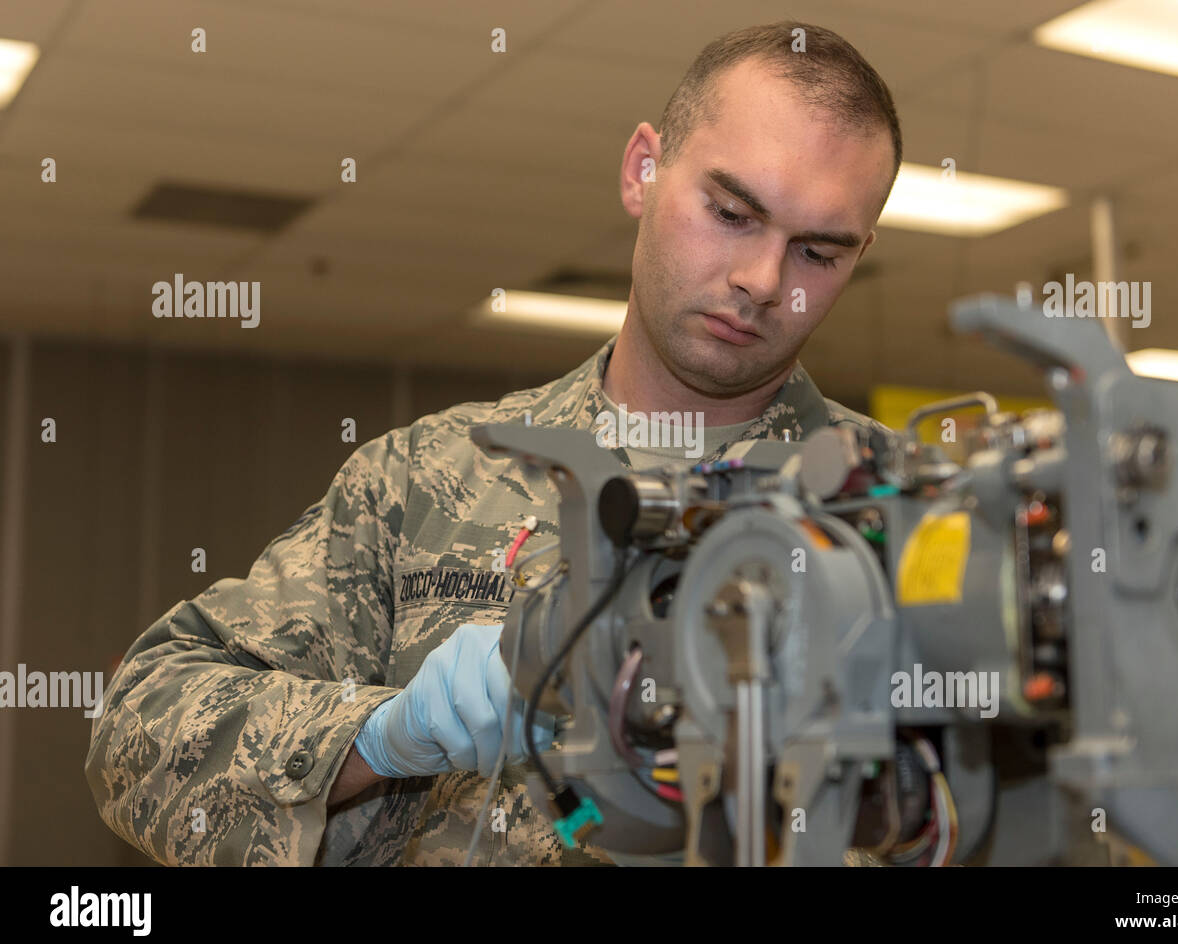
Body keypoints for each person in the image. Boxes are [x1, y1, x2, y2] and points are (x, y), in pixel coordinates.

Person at [85, 20, 903, 866]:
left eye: (817, 252)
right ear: (643, 170)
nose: (764, 282)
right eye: (732, 212)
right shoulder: (425, 482)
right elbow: (136, 729)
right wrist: (377, 739)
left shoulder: (917, 521)